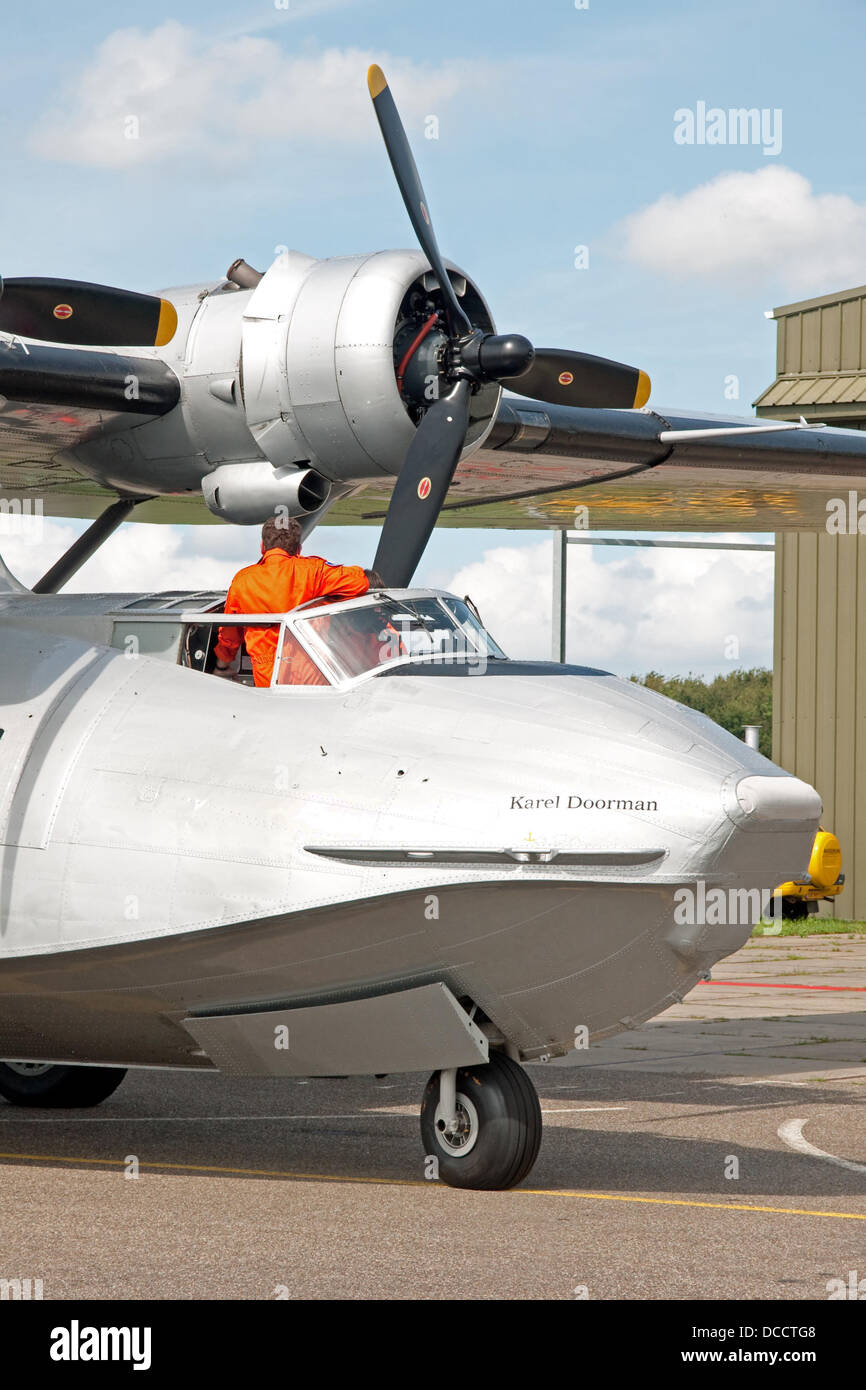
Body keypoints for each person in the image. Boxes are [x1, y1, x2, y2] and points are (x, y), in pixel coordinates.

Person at [214, 516, 370, 687]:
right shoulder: (313, 571)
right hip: (311, 675)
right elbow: (360, 582)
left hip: (267, 679)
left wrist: (221, 667)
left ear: (262, 547)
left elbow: (229, 634)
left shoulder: (242, 580)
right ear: (299, 549)